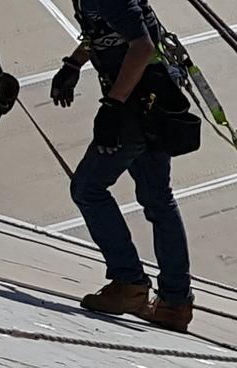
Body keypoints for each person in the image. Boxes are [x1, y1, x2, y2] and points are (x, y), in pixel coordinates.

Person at [52, 0, 195, 332]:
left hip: (135, 106)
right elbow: (111, 33)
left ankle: (129, 283)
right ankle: (174, 303)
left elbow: (142, 46)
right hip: (151, 102)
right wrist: (74, 63)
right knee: (158, 199)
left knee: (88, 188)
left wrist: (112, 107)